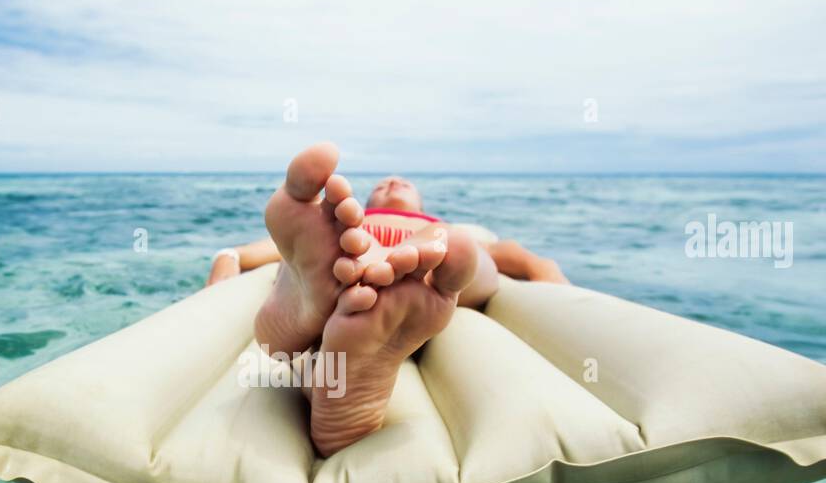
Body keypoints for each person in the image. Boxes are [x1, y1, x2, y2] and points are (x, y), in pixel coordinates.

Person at [206, 142, 568, 457]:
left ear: (421, 203)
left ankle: (336, 325)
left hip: (427, 266)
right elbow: (238, 253)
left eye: (403, 183)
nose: (392, 183)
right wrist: (222, 274)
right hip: (354, 263)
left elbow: (508, 253)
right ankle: (315, 304)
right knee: (317, 265)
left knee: (459, 250)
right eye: (381, 185)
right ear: (366, 203)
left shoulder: (436, 224)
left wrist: (545, 271)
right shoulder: (342, 227)